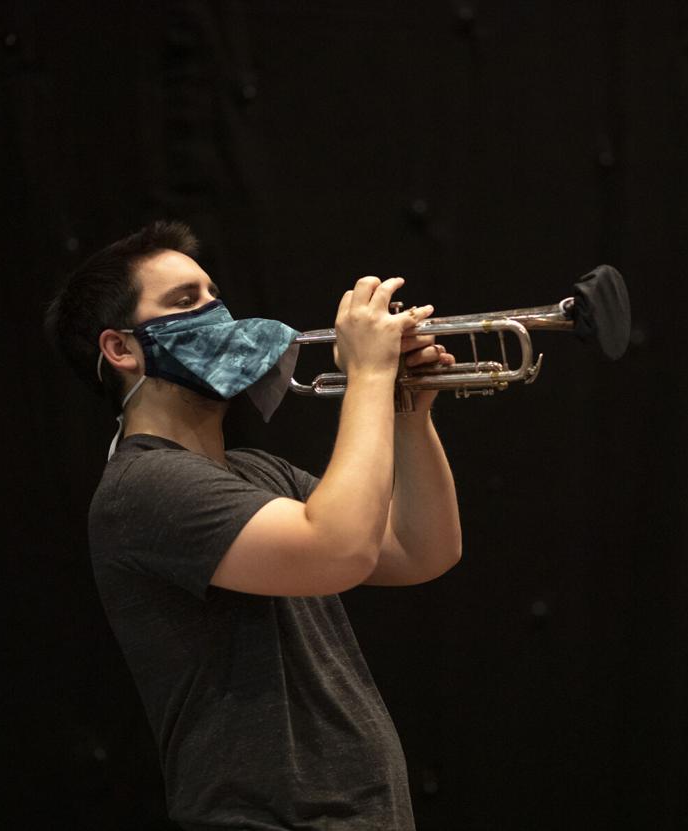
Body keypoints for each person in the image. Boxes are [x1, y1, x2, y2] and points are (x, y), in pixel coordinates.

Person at [44, 220, 462, 830]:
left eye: (214, 296)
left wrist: (408, 412)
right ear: (121, 349)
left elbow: (420, 550)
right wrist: (369, 376)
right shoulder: (143, 487)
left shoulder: (257, 471)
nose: (216, 314)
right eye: (184, 301)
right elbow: (337, 549)